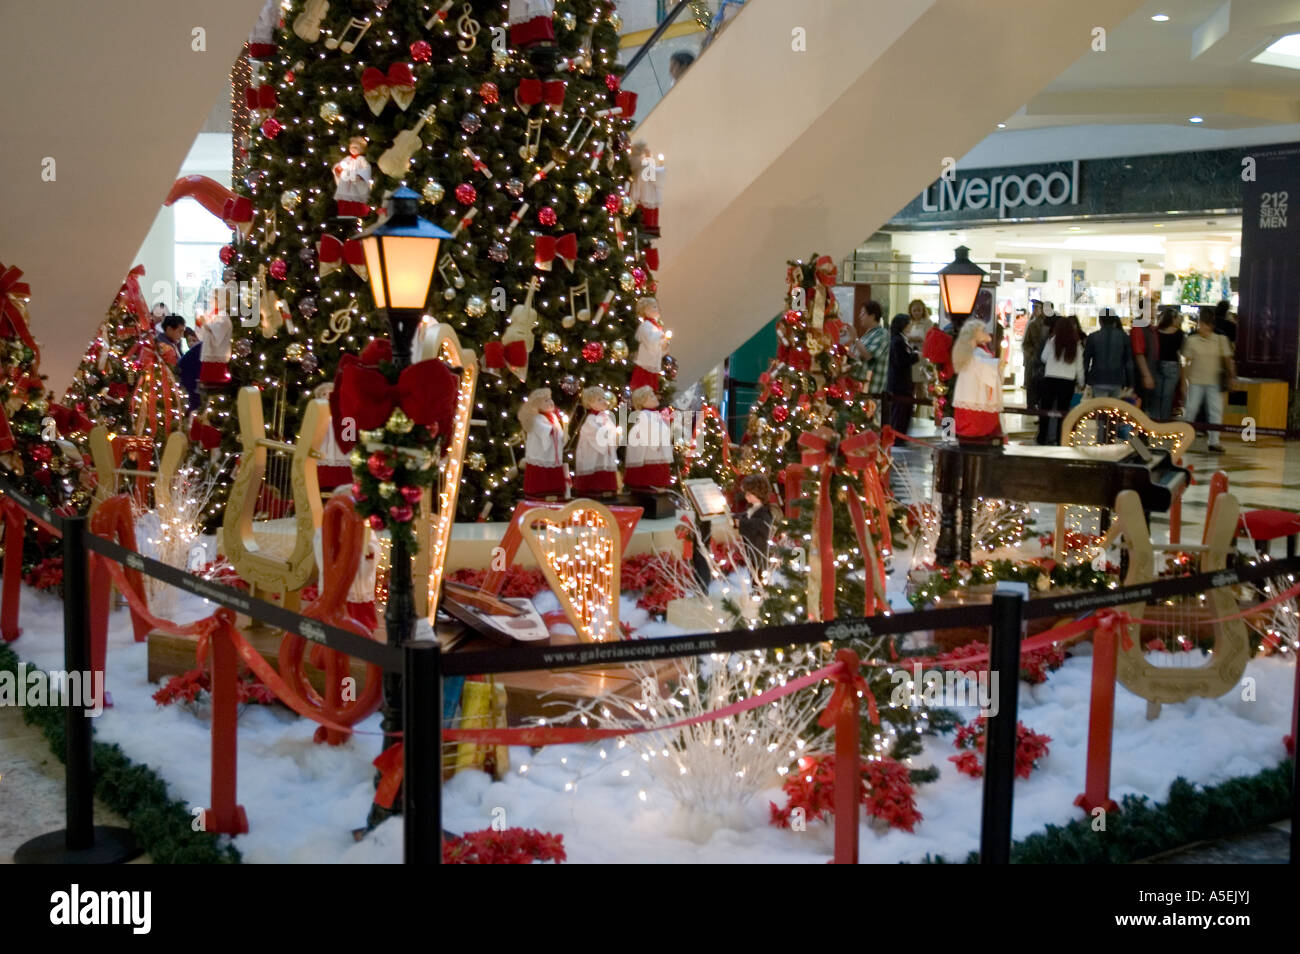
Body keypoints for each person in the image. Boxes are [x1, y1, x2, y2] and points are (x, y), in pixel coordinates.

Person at [1181, 310, 1237, 453]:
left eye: (1204, 325)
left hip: (1214, 382)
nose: (1201, 328)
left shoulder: (1220, 340)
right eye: (1200, 324)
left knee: (1215, 412)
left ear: (1210, 326)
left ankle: (1214, 441)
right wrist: (1183, 381)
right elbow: (1186, 362)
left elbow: (1228, 360)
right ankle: (1184, 439)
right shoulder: (1192, 340)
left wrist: (1232, 377)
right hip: (1195, 381)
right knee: (1191, 410)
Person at [951, 319, 1002, 443]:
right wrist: (1001, 362)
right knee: (977, 440)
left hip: (969, 400)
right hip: (975, 404)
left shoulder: (969, 353)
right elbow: (990, 370)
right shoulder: (974, 355)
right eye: (982, 330)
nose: (986, 332)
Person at [1038, 316, 1084, 445]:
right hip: (1067, 381)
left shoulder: (1052, 341)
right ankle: (1060, 439)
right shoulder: (1077, 345)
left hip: (1050, 379)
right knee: (1063, 412)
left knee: (1045, 410)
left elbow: (1043, 358)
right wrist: (1081, 382)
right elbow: (1079, 367)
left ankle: (1042, 437)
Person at [1083, 308, 1133, 399]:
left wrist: (1085, 379)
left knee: (1100, 408)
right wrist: (1130, 382)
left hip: (1098, 379)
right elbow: (1128, 362)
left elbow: (1086, 360)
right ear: (1114, 320)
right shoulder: (1124, 337)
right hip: (1117, 379)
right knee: (1114, 409)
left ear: (1100, 320)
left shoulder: (1093, 337)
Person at [1151, 306, 1185, 421]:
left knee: (1157, 394)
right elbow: (1181, 352)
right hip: (1173, 365)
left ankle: (1154, 418)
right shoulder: (1179, 333)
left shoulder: (1156, 331)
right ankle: (1164, 420)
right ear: (1173, 319)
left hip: (1157, 364)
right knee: (1167, 396)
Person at [886, 313, 918, 436]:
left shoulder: (901, 339)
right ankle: (898, 436)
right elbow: (902, 360)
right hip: (899, 383)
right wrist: (915, 356)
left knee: (903, 411)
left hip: (902, 383)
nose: (911, 326)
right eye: (909, 324)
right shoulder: (897, 340)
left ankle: (900, 436)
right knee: (899, 413)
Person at [851, 300, 888, 395]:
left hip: (871, 389)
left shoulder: (882, 334)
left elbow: (868, 356)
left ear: (872, 316)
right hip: (859, 386)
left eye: (863, 314)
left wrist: (855, 338)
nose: (860, 317)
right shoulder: (868, 335)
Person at [1129, 303, 1158, 414]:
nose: (1154, 310)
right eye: (1152, 308)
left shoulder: (1150, 328)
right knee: (1141, 408)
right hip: (1142, 374)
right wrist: (1146, 375)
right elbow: (1138, 353)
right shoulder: (1139, 327)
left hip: (1150, 371)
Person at [905, 299, 934, 402]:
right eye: (914, 310)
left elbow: (929, 340)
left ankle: (920, 411)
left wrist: (918, 339)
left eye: (919, 310)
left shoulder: (928, 323)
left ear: (923, 311)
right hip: (909, 356)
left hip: (921, 356)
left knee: (921, 385)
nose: (917, 313)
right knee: (910, 385)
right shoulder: (908, 322)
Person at [1021, 299, 1048, 409]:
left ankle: (1040, 405)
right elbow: (1025, 343)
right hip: (1033, 359)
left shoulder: (1046, 324)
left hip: (1044, 359)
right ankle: (1031, 404)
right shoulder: (1031, 323)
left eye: (1037, 307)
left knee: (1041, 384)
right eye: (1033, 307)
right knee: (1031, 383)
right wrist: (1031, 354)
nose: (1035, 310)